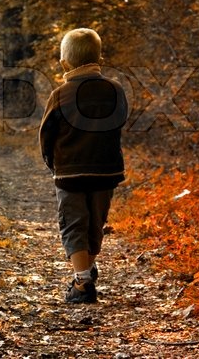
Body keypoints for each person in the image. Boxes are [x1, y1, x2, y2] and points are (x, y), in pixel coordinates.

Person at [38, 28, 128, 303]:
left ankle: (82, 283)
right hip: (105, 172)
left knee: (74, 225)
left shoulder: (60, 94)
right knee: (95, 224)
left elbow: (46, 134)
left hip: (70, 173)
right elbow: (120, 121)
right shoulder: (115, 89)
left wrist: (51, 162)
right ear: (99, 58)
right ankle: (86, 268)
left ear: (65, 64)